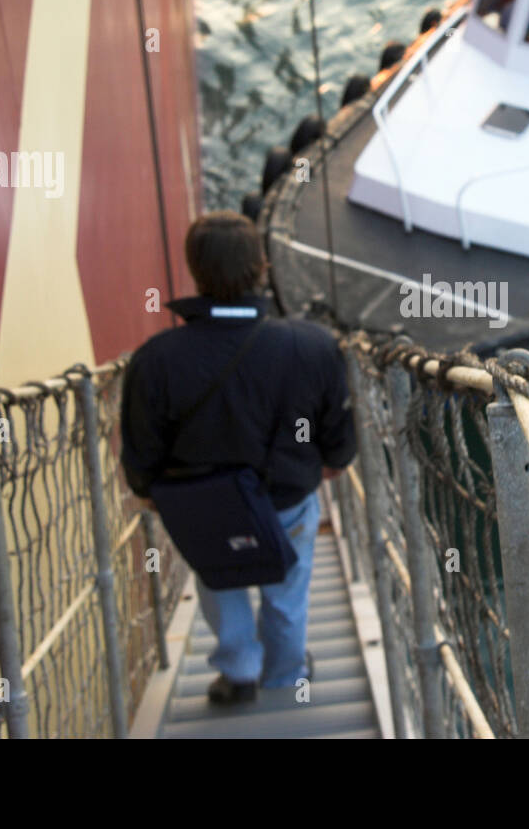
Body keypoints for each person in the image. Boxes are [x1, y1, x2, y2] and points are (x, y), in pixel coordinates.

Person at [120, 211, 356, 705]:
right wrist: (322, 465)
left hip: (202, 509)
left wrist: (159, 494)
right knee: (287, 594)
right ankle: (286, 674)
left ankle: (238, 672)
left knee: (219, 582)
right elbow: (338, 440)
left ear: (195, 269)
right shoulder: (312, 345)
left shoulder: (155, 359)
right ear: (262, 266)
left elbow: (142, 455)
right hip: (287, 499)